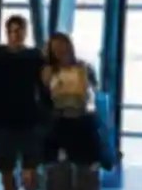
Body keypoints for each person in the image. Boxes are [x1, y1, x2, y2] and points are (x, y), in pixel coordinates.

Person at [0, 15, 50, 190]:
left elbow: (43, 86)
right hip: (3, 120)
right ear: (7, 33)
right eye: (12, 31)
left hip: (26, 118)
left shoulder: (33, 57)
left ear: (25, 32)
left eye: (19, 31)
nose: (15, 35)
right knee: (7, 170)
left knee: (29, 169)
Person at [42, 33, 100, 166]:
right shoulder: (48, 71)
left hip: (81, 120)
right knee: (54, 166)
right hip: (57, 122)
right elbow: (43, 94)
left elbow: (95, 90)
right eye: (56, 48)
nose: (60, 51)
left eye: (63, 46)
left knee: (85, 165)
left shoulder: (84, 67)